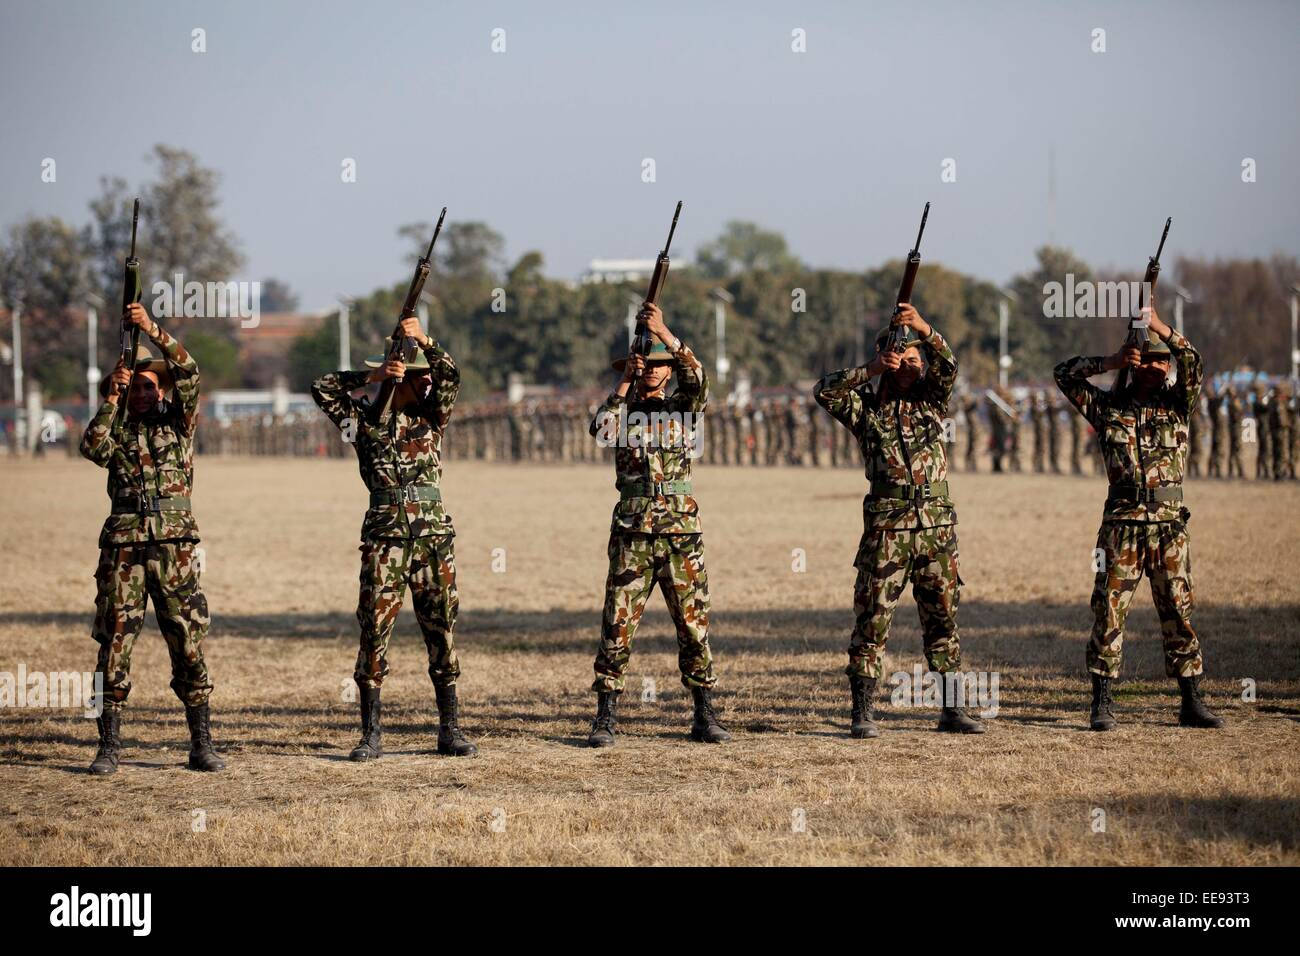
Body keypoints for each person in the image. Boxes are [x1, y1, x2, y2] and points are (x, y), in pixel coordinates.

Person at [310, 315, 478, 762]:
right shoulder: (362, 423)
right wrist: (374, 376)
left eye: (426, 377)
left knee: (441, 628)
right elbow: (322, 388)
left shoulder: (434, 416)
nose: (426, 383)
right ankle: (371, 735)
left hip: (432, 540)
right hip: (385, 539)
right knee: (374, 631)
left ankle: (450, 729)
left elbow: (452, 375)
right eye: (417, 375)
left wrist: (424, 339)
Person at [814, 305, 983, 739]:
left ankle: (951, 708)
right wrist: (869, 369)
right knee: (872, 621)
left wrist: (924, 328)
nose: (911, 367)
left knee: (943, 620)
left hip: (936, 533)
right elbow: (825, 391)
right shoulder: (866, 410)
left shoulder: (933, 400)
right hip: (887, 531)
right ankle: (863, 711)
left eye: (915, 360)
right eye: (901, 360)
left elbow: (949, 363)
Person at [1054, 305, 1224, 731]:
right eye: (1147, 359)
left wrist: (1160, 326)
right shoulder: (1108, 408)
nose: (1156, 366)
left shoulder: (1179, 403)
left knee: (1178, 612)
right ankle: (1102, 703)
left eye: (1161, 360)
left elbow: (1194, 360)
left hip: (1169, 527)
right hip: (1120, 529)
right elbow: (1064, 374)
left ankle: (1191, 701)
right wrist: (1111, 361)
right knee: (1108, 611)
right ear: (1135, 362)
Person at [79, 303, 223, 774]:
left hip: (174, 549)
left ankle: (201, 743)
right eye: (133, 387)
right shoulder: (115, 428)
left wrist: (150, 329)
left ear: (160, 391)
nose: (141, 393)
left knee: (186, 640)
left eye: (148, 386)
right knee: (115, 641)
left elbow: (189, 368)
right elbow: (90, 447)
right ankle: (109, 745)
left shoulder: (178, 424)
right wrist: (110, 399)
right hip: (123, 549)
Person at [586, 302, 729, 747]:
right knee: (617, 626)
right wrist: (624, 379)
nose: (653, 369)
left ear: (669, 371)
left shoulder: (684, 409)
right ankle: (605, 717)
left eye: (660, 365)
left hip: (680, 536)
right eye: (646, 363)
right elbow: (599, 429)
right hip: (633, 536)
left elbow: (701, 378)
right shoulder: (622, 413)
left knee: (693, 626)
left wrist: (665, 333)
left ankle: (704, 714)